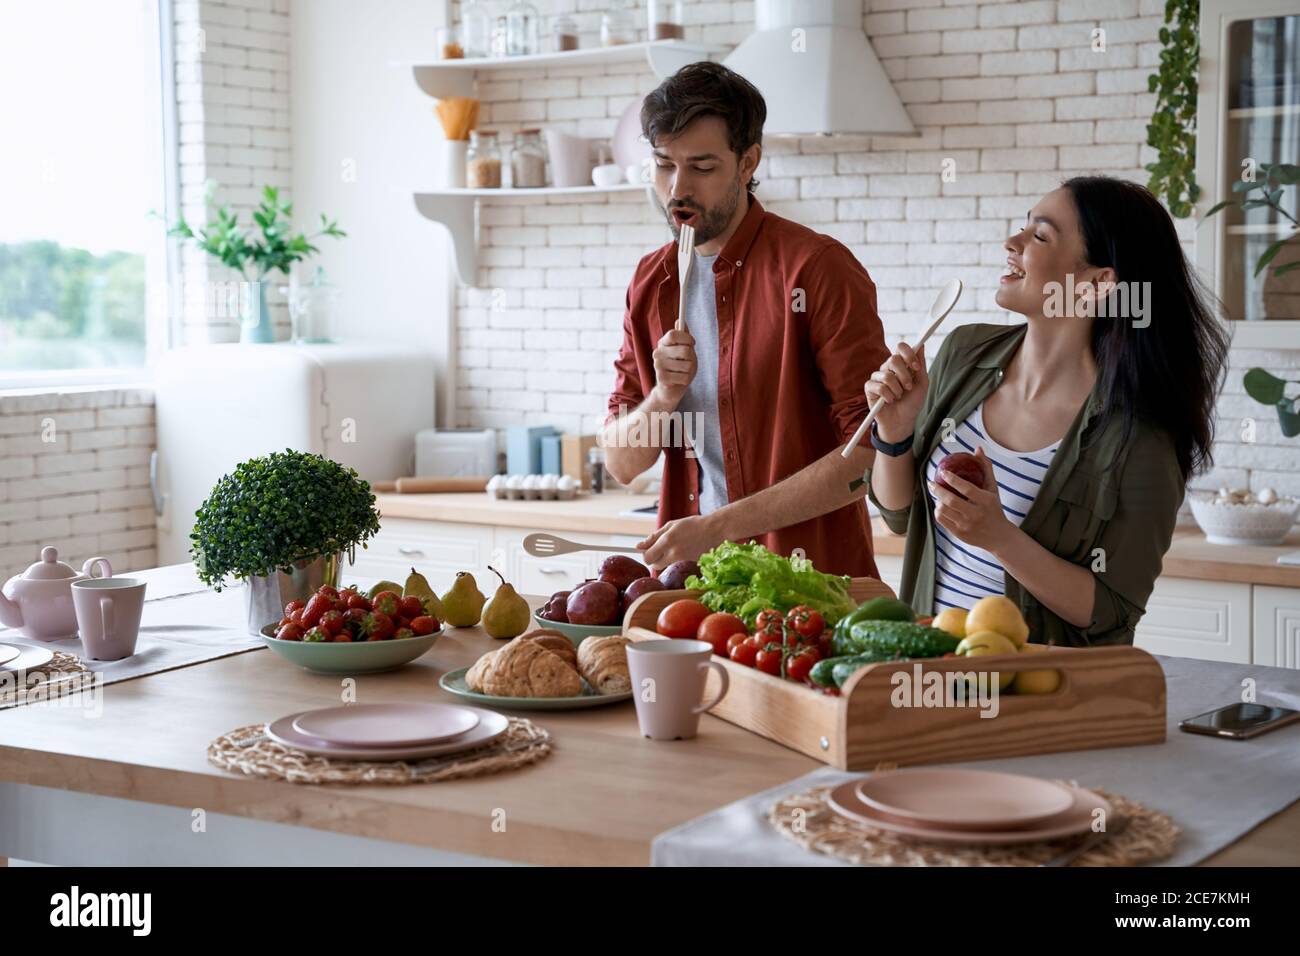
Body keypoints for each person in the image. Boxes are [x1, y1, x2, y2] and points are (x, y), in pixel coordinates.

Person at [865, 176, 1229, 646]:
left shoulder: (1141, 434)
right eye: (1023, 228)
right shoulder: (964, 352)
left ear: (1098, 283)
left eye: (1039, 235)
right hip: (928, 672)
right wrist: (894, 434)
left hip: (1035, 698)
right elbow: (902, 517)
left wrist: (999, 537)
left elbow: (1112, 612)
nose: (1011, 243)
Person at [602, 62, 890, 576]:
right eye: (664, 165)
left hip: (810, 586)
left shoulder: (816, 268)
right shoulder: (651, 281)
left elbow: (867, 457)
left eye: (703, 167)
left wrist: (716, 526)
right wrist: (664, 395)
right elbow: (623, 465)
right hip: (694, 591)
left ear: (747, 162)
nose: (677, 189)